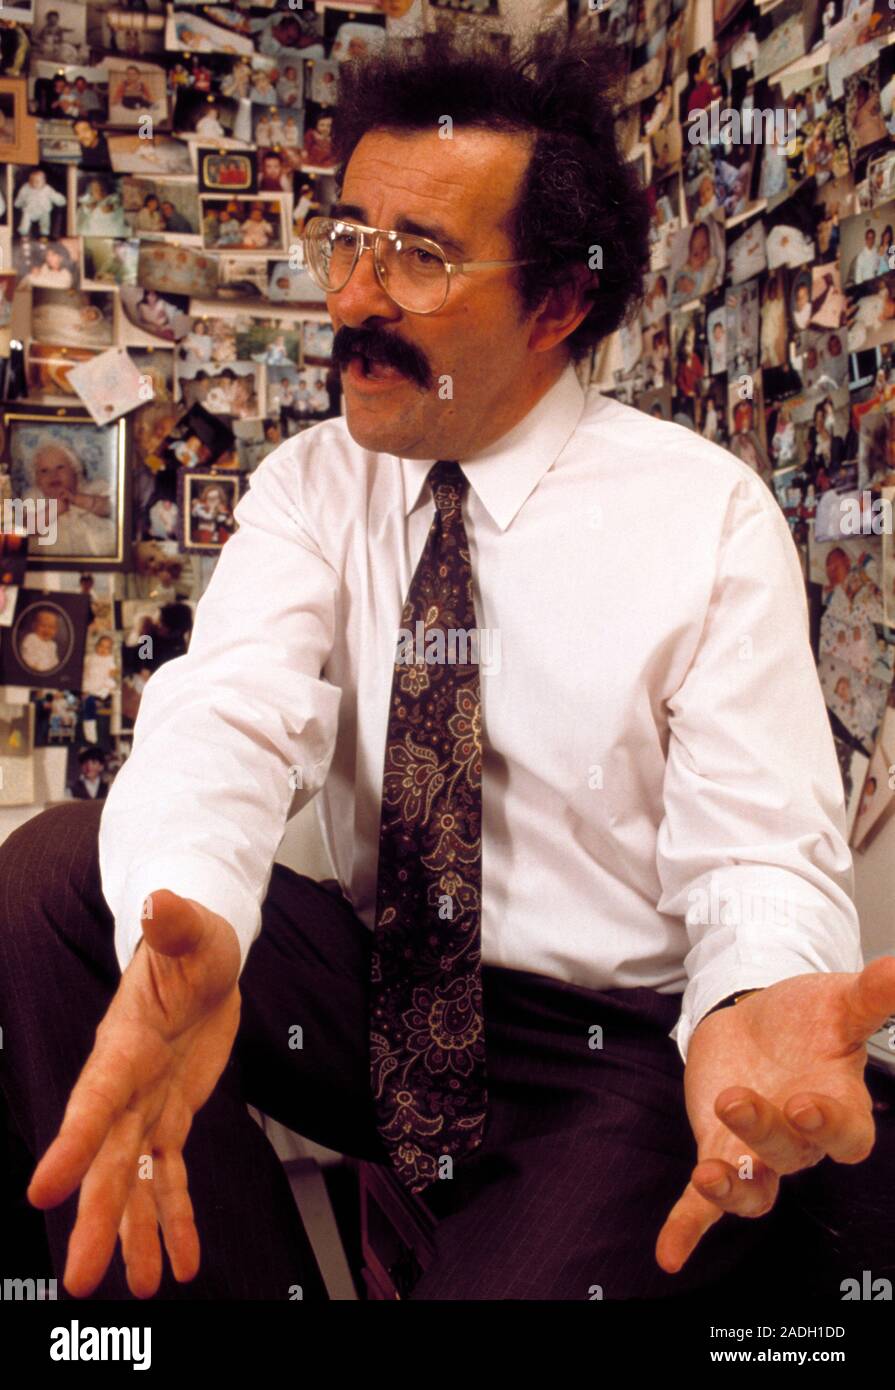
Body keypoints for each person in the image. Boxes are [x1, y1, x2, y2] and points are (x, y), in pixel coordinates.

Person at [4, 24, 895, 1308]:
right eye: (350, 237)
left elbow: (755, 849)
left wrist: (755, 996)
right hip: (383, 993)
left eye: (417, 255)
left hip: (601, 1053)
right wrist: (189, 910)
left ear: (558, 302)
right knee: (54, 875)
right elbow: (229, 715)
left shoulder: (705, 515)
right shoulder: (313, 483)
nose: (356, 295)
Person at [14, 169, 67, 237]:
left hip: (43, 210)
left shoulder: (47, 189)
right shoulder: (26, 188)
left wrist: (61, 201)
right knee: (25, 219)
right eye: (31, 181)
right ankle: (24, 233)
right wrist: (18, 204)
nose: (34, 183)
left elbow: (54, 196)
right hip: (29, 210)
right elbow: (21, 196)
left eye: (37, 182)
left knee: (45, 220)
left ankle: (44, 233)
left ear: (43, 182)